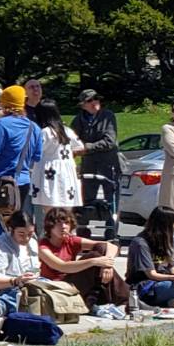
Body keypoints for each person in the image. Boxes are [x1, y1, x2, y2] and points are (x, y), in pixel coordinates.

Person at [36, 206, 129, 314]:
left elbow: (111, 246)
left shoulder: (70, 240)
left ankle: (105, 298)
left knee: (101, 248)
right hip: (57, 286)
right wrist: (95, 261)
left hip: (75, 283)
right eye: (59, 223)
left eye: (67, 223)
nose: (63, 227)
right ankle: (127, 298)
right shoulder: (43, 246)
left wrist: (107, 265)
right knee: (94, 257)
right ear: (50, 226)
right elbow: (62, 266)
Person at [0, 85, 42, 220]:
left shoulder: (2, 124)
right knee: (20, 219)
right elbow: (37, 156)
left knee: (6, 222)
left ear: (4, 103)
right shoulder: (34, 127)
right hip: (24, 181)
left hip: (3, 181)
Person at [71, 88, 121, 239]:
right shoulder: (78, 120)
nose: (94, 103)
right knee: (86, 199)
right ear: (83, 105)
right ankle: (83, 230)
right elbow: (73, 140)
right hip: (89, 165)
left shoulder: (108, 116)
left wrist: (86, 148)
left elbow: (110, 141)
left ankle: (111, 231)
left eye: (96, 99)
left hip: (109, 164)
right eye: (90, 101)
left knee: (111, 199)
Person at [30, 100, 83, 223]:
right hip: (66, 171)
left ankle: (53, 234)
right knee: (66, 207)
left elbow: (36, 152)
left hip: (50, 172)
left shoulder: (45, 132)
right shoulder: (66, 130)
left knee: (50, 210)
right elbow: (80, 146)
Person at [127, 206, 174, 311]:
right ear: (165, 226)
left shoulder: (168, 241)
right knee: (169, 287)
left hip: (166, 280)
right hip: (146, 285)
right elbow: (151, 274)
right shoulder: (141, 243)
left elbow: (173, 269)